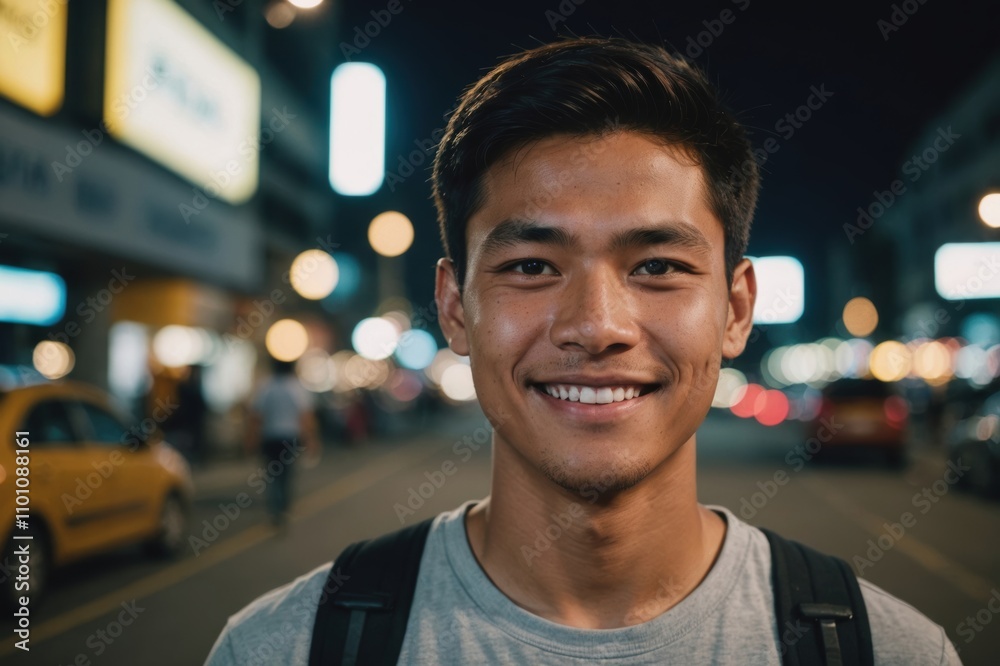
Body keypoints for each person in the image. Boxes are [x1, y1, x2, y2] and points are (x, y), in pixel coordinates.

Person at [207, 37, 961, 664]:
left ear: (735, 310)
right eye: (531, 266)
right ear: (454, 308)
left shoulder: (886, 650)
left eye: (658, 267)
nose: (597, 325)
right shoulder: (288, 646)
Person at [245, 358, 319, 529]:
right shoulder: (296, 388)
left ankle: (275, 509)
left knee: (271, 475)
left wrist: (250, 439)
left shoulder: (266, 387)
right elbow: (305, 416)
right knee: (286, 474)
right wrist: (311, 440)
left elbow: (256, 416)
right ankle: (284, 507)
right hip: (289, 437)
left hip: (269, 437)